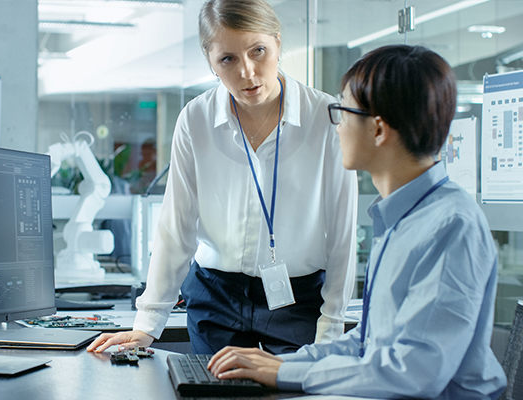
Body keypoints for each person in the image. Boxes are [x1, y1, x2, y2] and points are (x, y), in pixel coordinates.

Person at [208, 44, 508, 399]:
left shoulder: (450, 226)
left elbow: (413, 372)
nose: (336, 126)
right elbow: (368, 342)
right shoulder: (400, 218)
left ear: (378, 130)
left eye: (343, 112)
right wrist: (280, 363)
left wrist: (290, 372)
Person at [87, 0, 357, 355]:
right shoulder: (195, 119)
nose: (247, 71)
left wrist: (331, 326)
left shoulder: (325, 118)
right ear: (210, 61)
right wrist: (147, 324)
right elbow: (175, 227)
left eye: (258, 51)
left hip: (298, 301)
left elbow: (343, 233)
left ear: (278, 43)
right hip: (216, 297)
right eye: (227, 59)